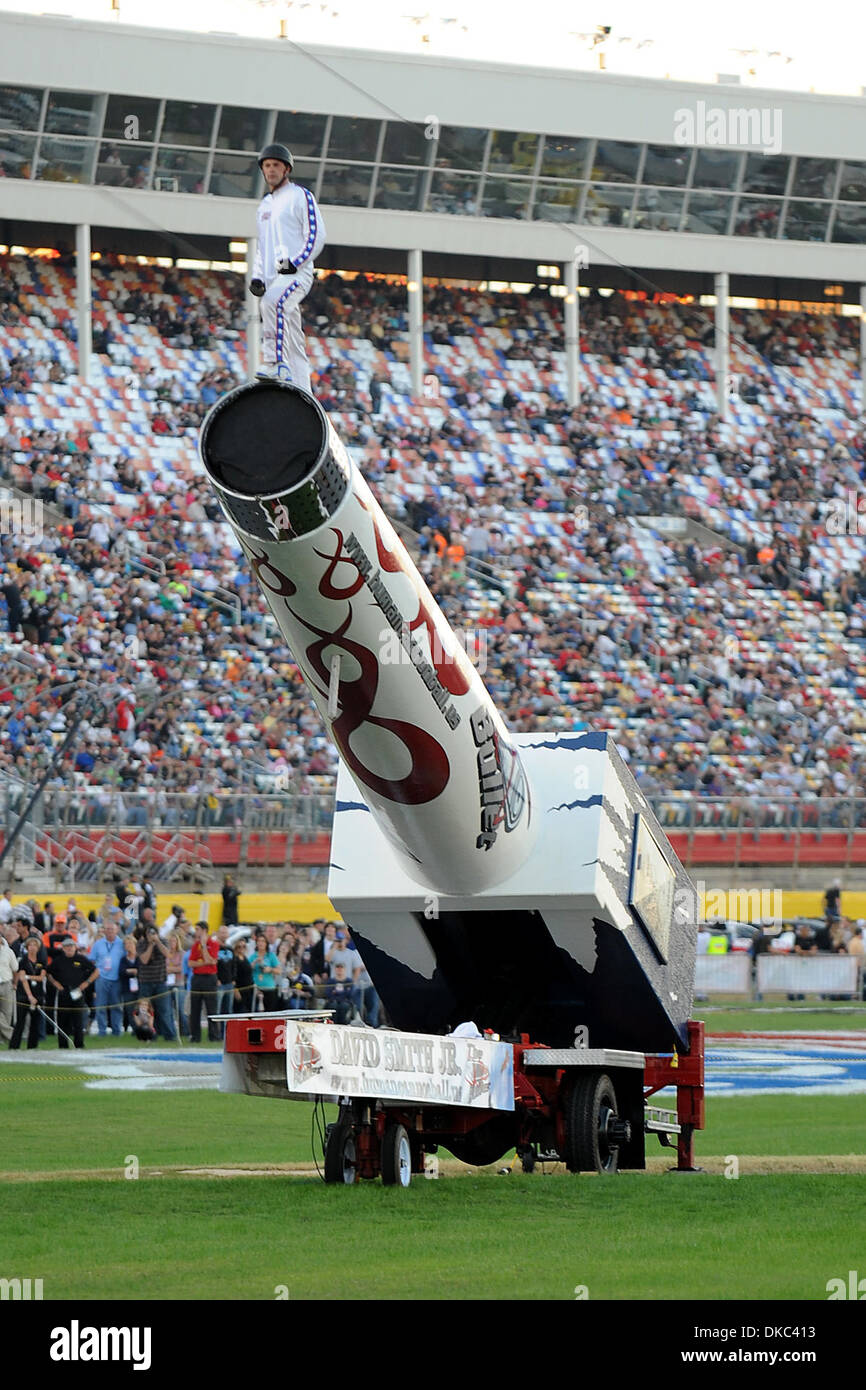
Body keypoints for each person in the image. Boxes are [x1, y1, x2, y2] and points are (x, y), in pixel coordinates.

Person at [250, 143, 326, 392]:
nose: (271, 170)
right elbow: (263, 246)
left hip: (296, 273)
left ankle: (274, 362)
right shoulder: (265, 205)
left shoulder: (300, 195)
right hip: (273, 277)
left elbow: (315, 235)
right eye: (267, 166)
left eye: (276, 165)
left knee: (271, 302)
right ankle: (305, 391)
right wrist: (258, 276)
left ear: (286, 169)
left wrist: (296, 262)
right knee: (294, 339)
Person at [47, 937, 99, 1049]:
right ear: (63, 948)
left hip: (77, 991)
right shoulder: (58, 960)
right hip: (64, 991)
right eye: (66, 946)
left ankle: (79, 1044)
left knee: (78, 1020)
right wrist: (56, 984)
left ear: (75, 947)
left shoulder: (81, 959)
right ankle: (62, 1045)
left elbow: (96, 971)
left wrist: (87, 983)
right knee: (62, 1019)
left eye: (71, 946)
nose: (69, 948)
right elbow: (48, 973)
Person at [136, 923, 177, 1041]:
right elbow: (144, 960)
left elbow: (168, 954)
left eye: (153, 933)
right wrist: (150, 945)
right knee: (145, 1012)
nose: (151, 935)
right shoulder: (141, 944)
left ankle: (170, 1036)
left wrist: (157, 942)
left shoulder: (163, 941)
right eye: (149, 933)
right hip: (145, 981)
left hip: (160, 981)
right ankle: (148, 1035)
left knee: (164, 1010)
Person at [89, 918, 124, 1036]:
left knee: (116, 1006)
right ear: (104, 931)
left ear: (117, 930)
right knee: (100, 1006)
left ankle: (117, 1031)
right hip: (101, 979)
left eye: (112, 929)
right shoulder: (98, 944)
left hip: (117, 979)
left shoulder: (122, 943)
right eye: (107, 929)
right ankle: (102, 1031)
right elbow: (91, 960)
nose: (109, 931)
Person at [10, 935, 46, 1049]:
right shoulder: (23, 960)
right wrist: (30, 996)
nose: (32, 947)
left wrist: (29, 977)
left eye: (35, 945)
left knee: (35, 1022)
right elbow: (22, 979)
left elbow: (41, 977)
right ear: (27, 947)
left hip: (38, 994)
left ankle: (32, 1046)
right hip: (24, 995)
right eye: (30, 945)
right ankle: (14, 1046)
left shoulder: (41, 960)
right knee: (20, 1021)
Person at [188, 922, 220, 1042]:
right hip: (197, 978)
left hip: (209, 978)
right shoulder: (195, 945)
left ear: (204, 930)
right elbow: (190, 963)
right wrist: (204, 963)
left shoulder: (213, 944)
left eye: (198, 929)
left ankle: (214, 1036)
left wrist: (204, 946)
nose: (196, 932)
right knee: (195, 1008)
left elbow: (211, 961)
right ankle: (195, 1036)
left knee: (211, 1008)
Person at [250, 934, 280, 1013]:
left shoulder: (271, 955)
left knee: (270, 1012)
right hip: (257, 988)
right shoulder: (253, 956)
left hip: (269, 988)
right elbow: (247, 970)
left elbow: (279, 971)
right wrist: (255, 962)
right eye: (259, 941)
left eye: (263, 941)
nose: (261, 943)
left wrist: (270, 969)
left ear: (266, 943)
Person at [232, 939, 254, 1013]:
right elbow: (233, 975)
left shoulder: (245, 958)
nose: (242, 948)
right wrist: (235, 990)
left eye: (244, 946)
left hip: (248, 989)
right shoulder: (234, 959)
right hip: (239, 989)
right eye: (239, 947)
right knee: (240, 1011)